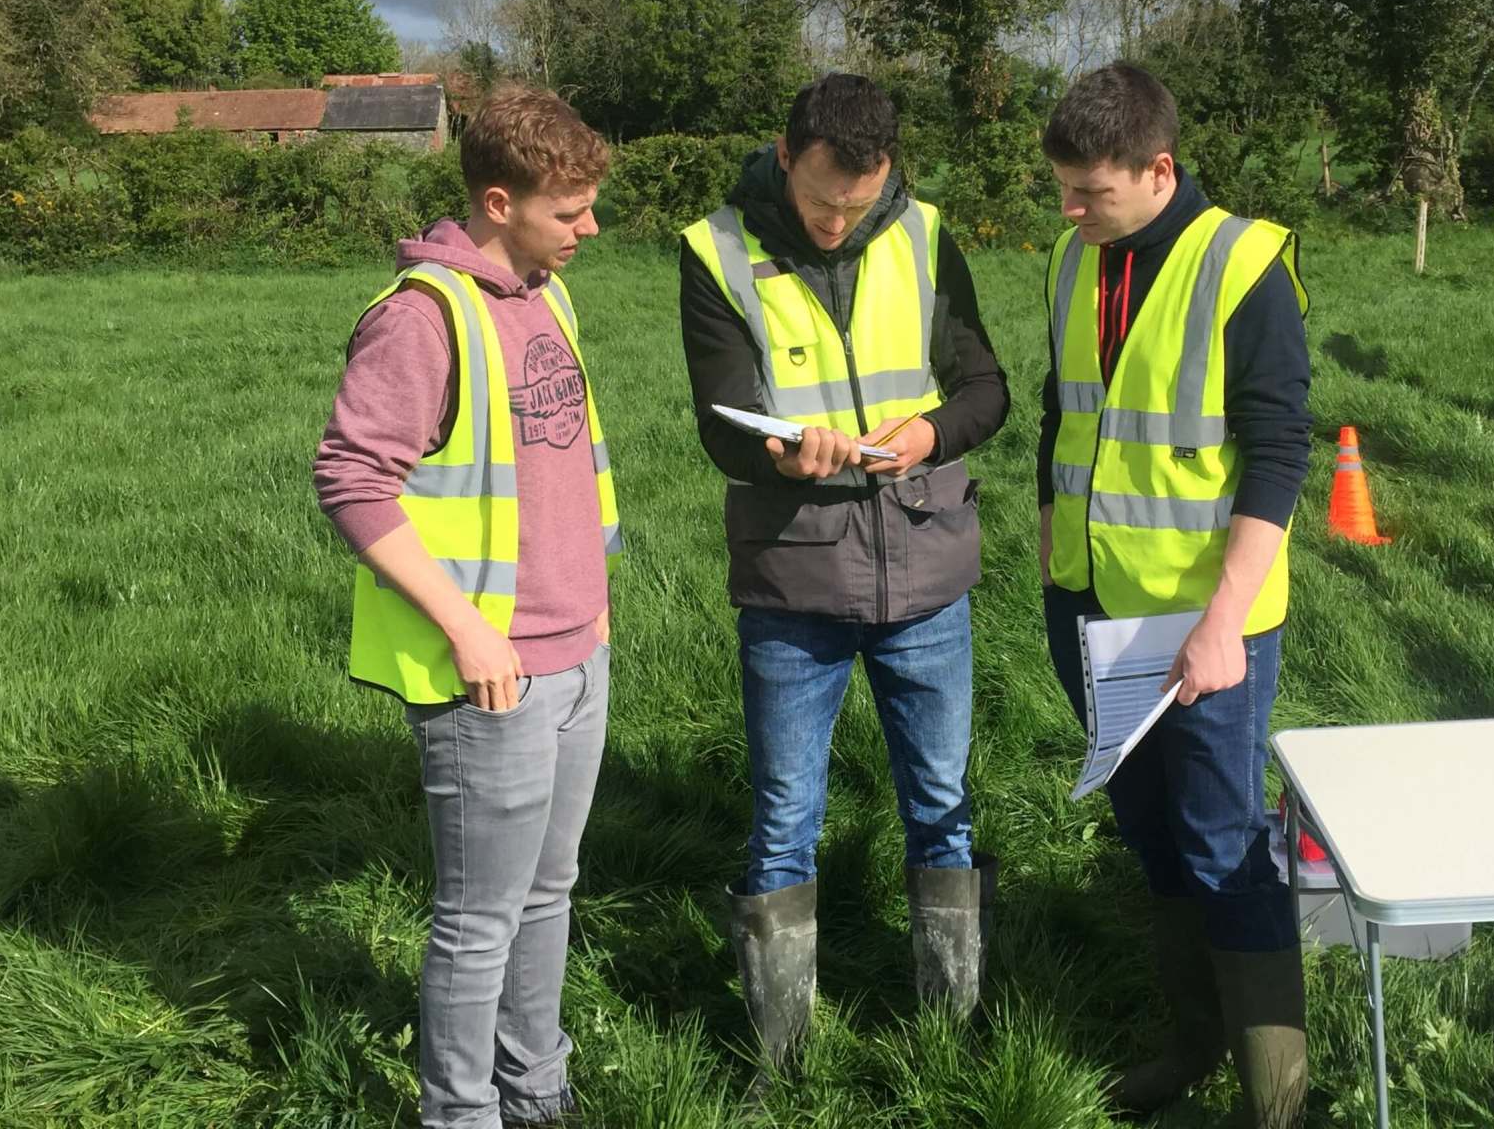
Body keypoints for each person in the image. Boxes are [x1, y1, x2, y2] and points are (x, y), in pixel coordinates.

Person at [678, 73, 1009, 1073]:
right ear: (785, 156)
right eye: (822, 201)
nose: (835, 223)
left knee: (942, 802)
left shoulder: (925, 233)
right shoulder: (714, 250)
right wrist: (776, 455)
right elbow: (720, 421)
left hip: (927, 575)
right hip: (793, 586)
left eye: (857, 206)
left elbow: (987, 388)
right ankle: (784, 1058)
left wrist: (930, 432)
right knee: (783, 817)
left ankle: (951, 1036)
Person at [313, 85, 622, 1129]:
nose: (591, 228)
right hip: (489, 670)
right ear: (499, 199)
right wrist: (469, 629)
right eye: (569, 212)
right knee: (480, 916)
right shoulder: (421, 316)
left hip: (578, 649)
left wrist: (594, 608)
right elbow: (353, 481)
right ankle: (459, 1112)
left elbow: (571, 468)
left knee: (549, 891)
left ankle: (537, 1089)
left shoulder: (546, 290)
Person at [1036, 64, 1312, 1128]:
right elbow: (1073, 423)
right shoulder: (1077, 256)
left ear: (1159, 169)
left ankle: (1275, 1101)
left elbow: (1279, 450)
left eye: (1088, 190)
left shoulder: (1243, 262)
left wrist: (1225, 622)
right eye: (1061, 187)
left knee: (1222, 841)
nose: (1068, 210)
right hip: (1092, 607)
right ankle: (1192, 1049)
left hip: (1205, 627)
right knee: (1149, 833)